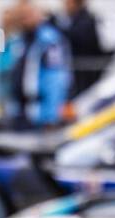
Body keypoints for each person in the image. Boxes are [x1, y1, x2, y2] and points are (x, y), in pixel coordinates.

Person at [11, 0, 70, 128]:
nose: (24, 18)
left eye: (28, 14)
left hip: (39, 113)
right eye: (21, 15)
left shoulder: (49, 40)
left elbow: (56, 78)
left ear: (39, 14)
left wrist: (51, 114)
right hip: (19, 111)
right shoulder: (19, 39)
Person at [56, 0, 106, 97]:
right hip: (79, 76)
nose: (65, 7)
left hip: (86, 76)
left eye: (67, 3)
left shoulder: (87, 20)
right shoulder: (72, 20)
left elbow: (75, 37)